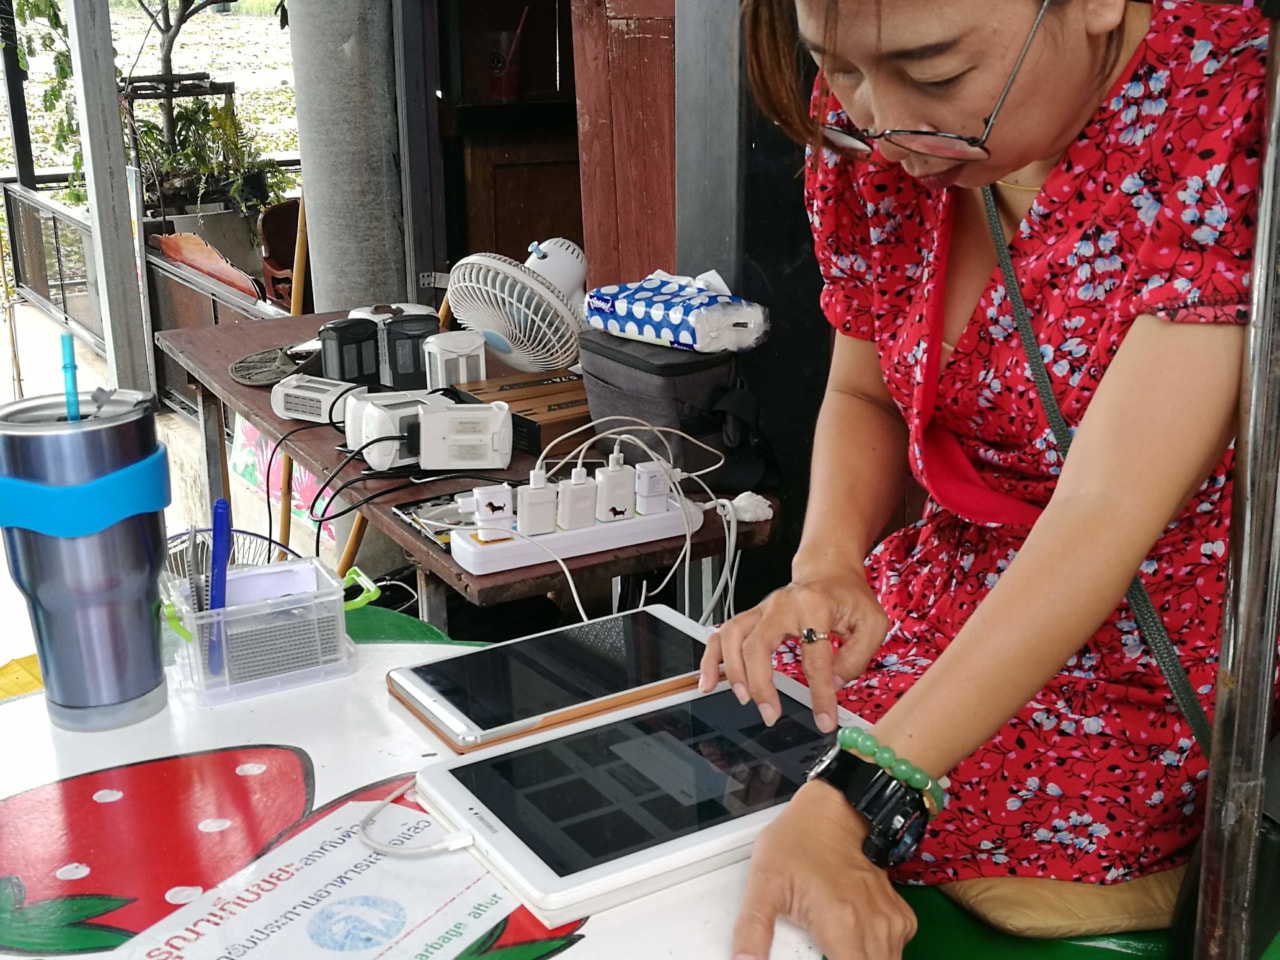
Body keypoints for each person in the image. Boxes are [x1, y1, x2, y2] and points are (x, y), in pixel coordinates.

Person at [696, 1, 1271, 957]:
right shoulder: (866, 131)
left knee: (833, 808)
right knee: (735, 733)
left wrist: (857, 794)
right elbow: (866, 392)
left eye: (936, 71)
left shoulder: (1227, 109)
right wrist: (829, 565)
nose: (884, 125)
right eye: (840, 68)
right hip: (955, 581)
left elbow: (1105, 505)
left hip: (1150, 637)